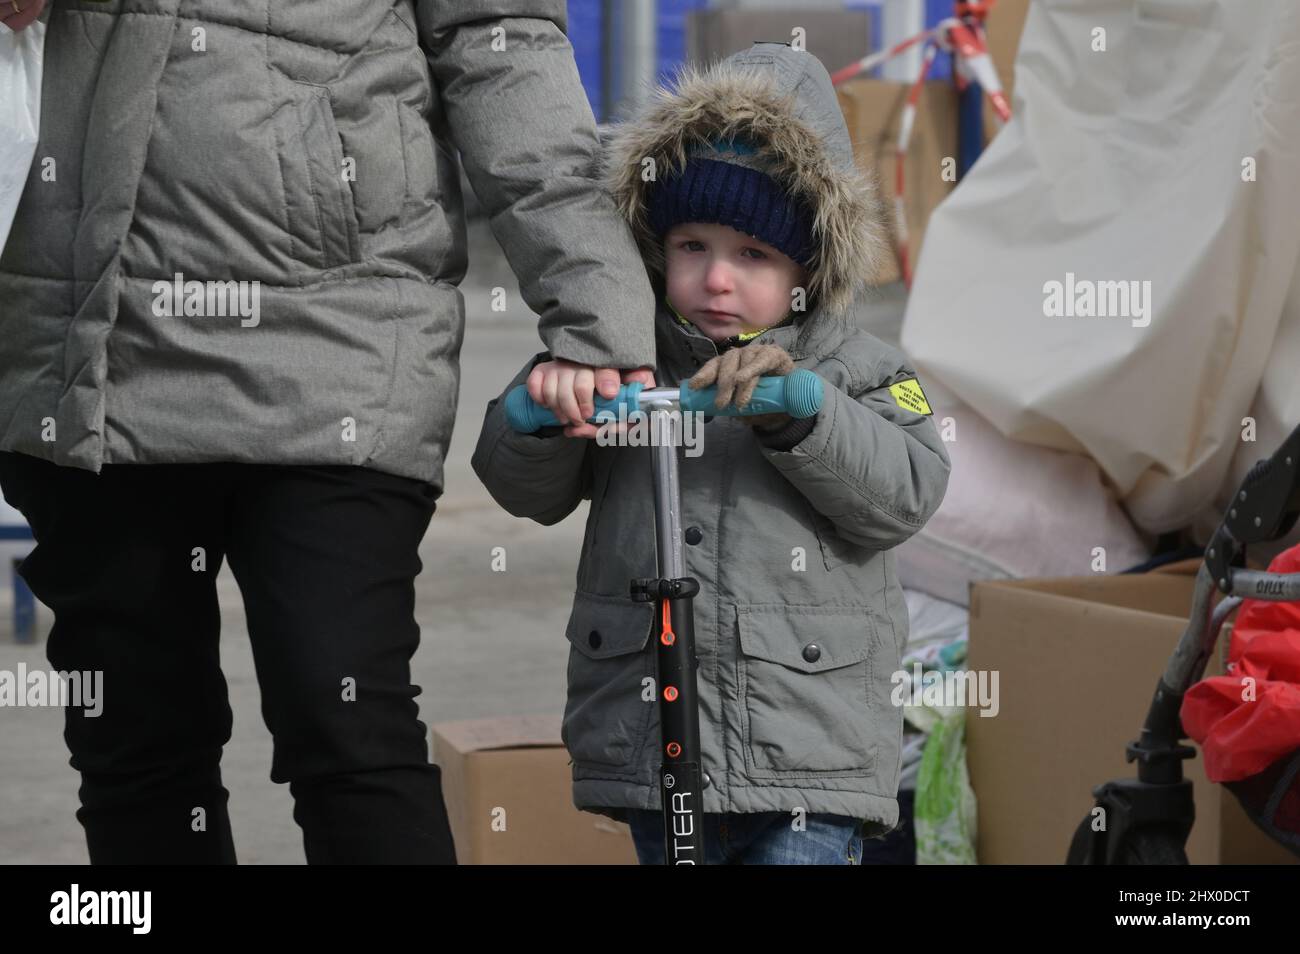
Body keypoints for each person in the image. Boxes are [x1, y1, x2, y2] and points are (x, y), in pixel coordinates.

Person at [0, 0, 656, 864]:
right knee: (134, 737)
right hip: (88, 322)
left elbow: (500, 41)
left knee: (342, 715)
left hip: (337, 323)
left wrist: (599, 308)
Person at [472, 42, 952, 864]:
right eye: (692, 246)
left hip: (808, 752)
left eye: (752, 255)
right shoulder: (627, 357)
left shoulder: (857, 368)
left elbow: (907, 492)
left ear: (811, 262)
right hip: (657, 739)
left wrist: (807, 412)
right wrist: (535, 413)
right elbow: (532, 492)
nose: (716, 279)